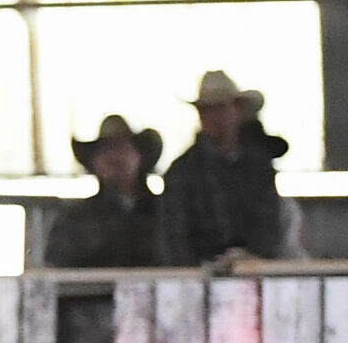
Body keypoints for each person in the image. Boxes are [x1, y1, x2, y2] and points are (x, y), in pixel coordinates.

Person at [162, 71, 286, 265]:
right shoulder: (181, 172)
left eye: (220, 108)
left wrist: (250, 259)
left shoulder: (259, 167)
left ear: (237, 110)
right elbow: (175, 240)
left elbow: (269, 227)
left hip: (256, 274)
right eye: (206, 110)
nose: (213, 117)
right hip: (199, 281)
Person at [45, 115, 165, 269]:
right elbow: (60, 271)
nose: (114, 157)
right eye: (105, 151)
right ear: (94, 162)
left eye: (122, 148)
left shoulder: (167, 213)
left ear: (140, 156)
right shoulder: (75, 218)